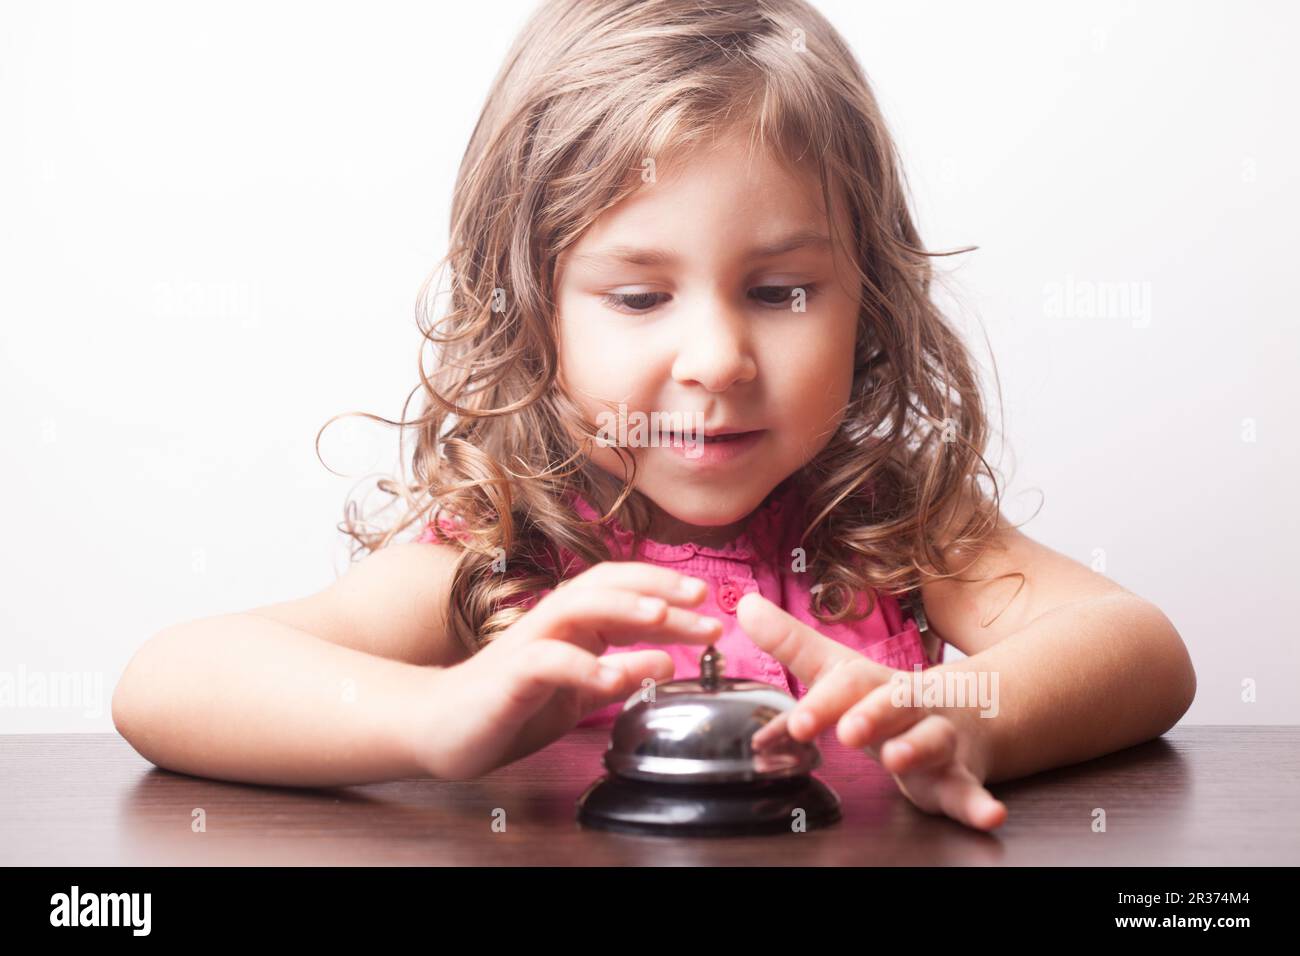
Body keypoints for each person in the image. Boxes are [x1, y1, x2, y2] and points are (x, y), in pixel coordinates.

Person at [113, 0, 1196, 833]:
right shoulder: (508, 550)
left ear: (870, 298)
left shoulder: (889, 524)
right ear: (533, 312)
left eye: (780, 292)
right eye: (638, 297)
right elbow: (168, 680)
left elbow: (1140, 648)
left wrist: (963, 708)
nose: (719, 359)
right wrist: (436, 716)